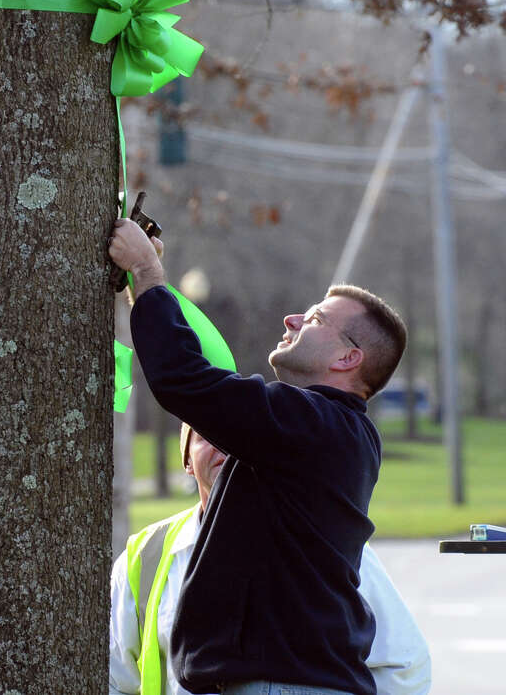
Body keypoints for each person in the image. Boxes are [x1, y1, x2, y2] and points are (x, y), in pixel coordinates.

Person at [107, 218, 408, 695]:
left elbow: (186, 380)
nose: (291, 320)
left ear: (348, 359)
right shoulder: (322, 431)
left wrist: (146, 271)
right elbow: (201, 381)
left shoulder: (315, 425)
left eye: (313, 319)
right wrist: (140, 284)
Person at [109, 423, 431, 695]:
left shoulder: (325, 541)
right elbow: (115, 680)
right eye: (208, 432)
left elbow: (405, 665)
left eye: (240, 431)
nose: (227, 443)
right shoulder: (145, 557)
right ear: (187, 461)